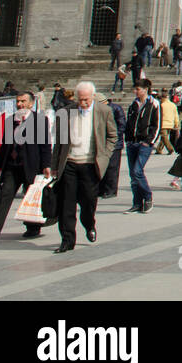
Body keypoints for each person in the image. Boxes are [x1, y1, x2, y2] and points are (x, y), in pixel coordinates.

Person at [50, 81, 119, 253]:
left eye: (86, 100)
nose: (83, 103)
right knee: (67, 203)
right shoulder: (66, 112)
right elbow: (58, 142)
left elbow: (113, 136)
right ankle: (67, 239)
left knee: (88, 201)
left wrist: (105, 155)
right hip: (70, 163)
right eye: (80, 99)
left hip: (90, 164)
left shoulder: (104, 111)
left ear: (93, 97)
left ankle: (89, 224)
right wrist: (54, 165)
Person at [0, 91, 51, 243]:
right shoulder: (11, 121)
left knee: (31, 197)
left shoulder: (40, 120)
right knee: (5, 197)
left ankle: (33, 227)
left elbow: (45, 145)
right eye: (18, 101)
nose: (20, 104)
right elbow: (5, 146)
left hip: (31, 166)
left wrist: (46, 165)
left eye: (23, 101)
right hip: (12, 167)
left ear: (31, 103)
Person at [123, 78, 160, 214]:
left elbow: (157, 124)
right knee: (133, 174)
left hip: (144, 143)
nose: (135, 91)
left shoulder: (154, 103)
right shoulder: (134, 104)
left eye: (138, 89)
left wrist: (150, 141)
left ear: (145, 90)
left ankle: (148, 196)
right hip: (132, 142)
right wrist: (127, 139)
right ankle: (137, 203)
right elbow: (129, 123)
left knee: (137, 171)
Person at [97, 96, 127, 198]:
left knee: (112, 167)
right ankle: (102, 189)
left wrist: (111, 136)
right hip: (102, 143)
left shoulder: (116, 108)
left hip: (115, 143)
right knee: (102, 166)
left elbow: (122, 125)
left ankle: (111, 190)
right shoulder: (100, 110)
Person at [156, 89, 179, 155]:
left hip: (163, 123)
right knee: (164, 137)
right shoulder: (173, 105)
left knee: (164, 137)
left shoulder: (161, 105)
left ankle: (170, 148)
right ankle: (159, 149)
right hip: (170, 123)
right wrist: (176, 123)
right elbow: (176, 115)